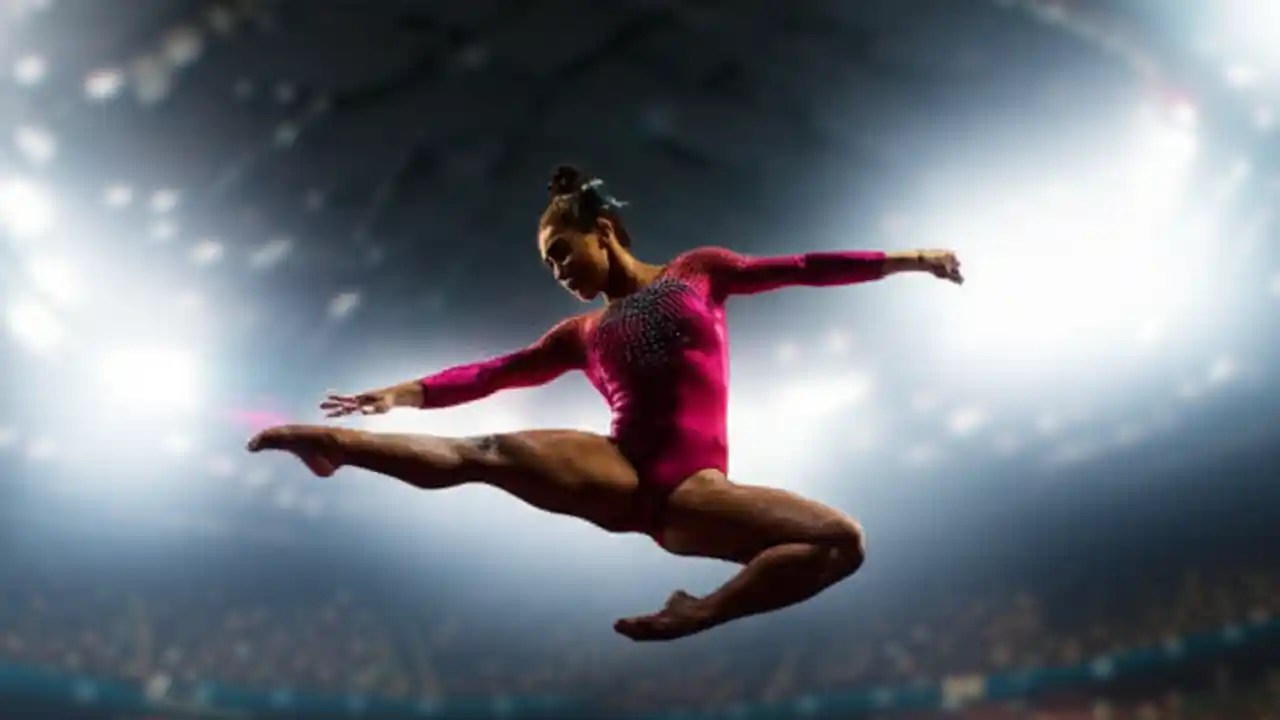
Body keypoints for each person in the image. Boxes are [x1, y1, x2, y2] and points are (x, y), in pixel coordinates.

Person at [247, 165, 963, 641]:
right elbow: (495, 372)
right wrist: (402, 393)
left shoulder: (698, 274)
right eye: (549, 264)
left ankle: (700, 613)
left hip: (693, 491)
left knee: (840, 541)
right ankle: (334, 446)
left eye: (562, 252)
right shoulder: (580, 333)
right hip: (618, 469)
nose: (559, 271)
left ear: (604, 231)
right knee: (489, 453)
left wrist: (906, 259)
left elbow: (801, 269)